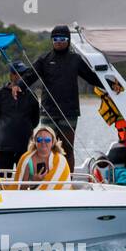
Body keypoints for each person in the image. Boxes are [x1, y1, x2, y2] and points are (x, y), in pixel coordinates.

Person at [29, 24, 97, 170]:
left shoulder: (75, 59)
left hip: (69, 112)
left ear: (68, 40)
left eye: (63, 38)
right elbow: (29, 76)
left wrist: (110, 85)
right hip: (48, 112)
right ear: (52, 40)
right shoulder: (44, 59)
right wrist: (17, 86)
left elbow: (92, 78)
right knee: (44, 148)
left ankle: (68, 180)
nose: (59, 41)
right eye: (56, 39)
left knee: (67, 148)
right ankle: (44, 180)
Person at [0, 60, 40, 173]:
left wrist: (26, 129)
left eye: (24, 73)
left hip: (25, 146)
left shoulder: (32, 95)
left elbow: (35, 120)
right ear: (11, 75)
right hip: (3, 147)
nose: (22, 76)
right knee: (1, 180)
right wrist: (4, 131)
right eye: (18, 73)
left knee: (26, 179)